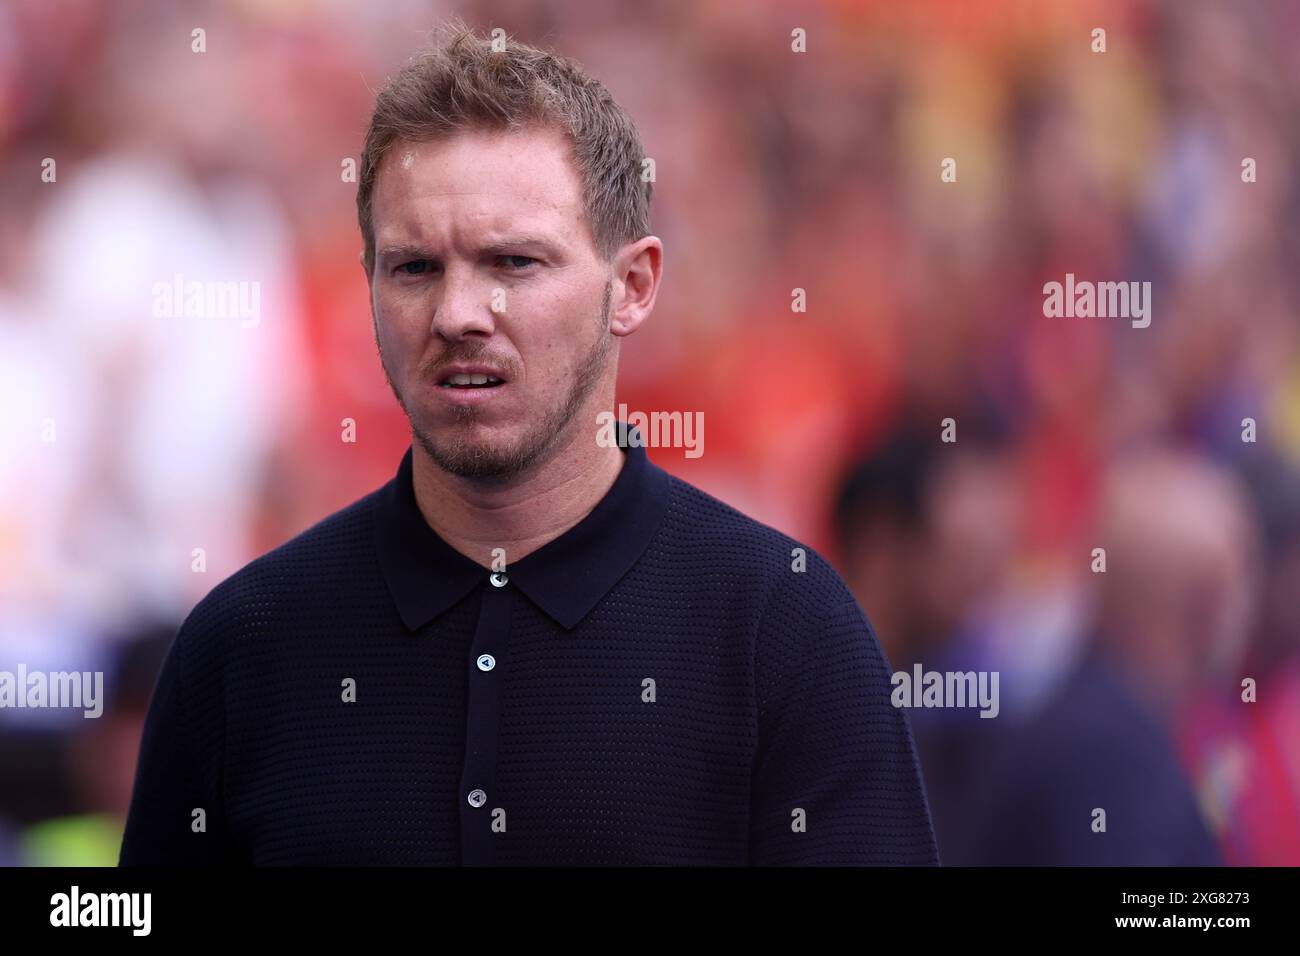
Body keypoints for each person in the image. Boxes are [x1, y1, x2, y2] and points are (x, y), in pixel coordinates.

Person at [119, 19, 936, 866]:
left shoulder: (785, 636)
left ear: (633, 286)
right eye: (413, 268)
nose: (457, 314)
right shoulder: (241, 650)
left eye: (513, 263)